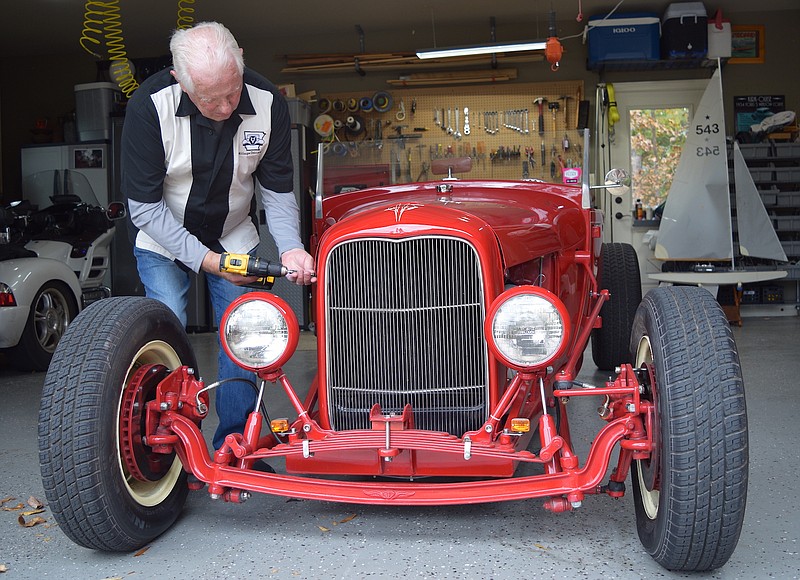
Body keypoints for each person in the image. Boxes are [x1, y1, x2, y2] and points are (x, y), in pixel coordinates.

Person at [121, 21, 315, 452]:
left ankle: (234, 445)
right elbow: (145, 209)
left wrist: (291, 248)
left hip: (232, 234)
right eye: (211, 99)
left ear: (241, 59)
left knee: (247, 335)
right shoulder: (149, 106)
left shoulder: (268, 103)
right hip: (163, 237)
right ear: (180, 80)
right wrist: (206, 261)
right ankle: (165, 443)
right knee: (163, 330)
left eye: (232, 91)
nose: (227, 107)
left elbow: (278, 193)